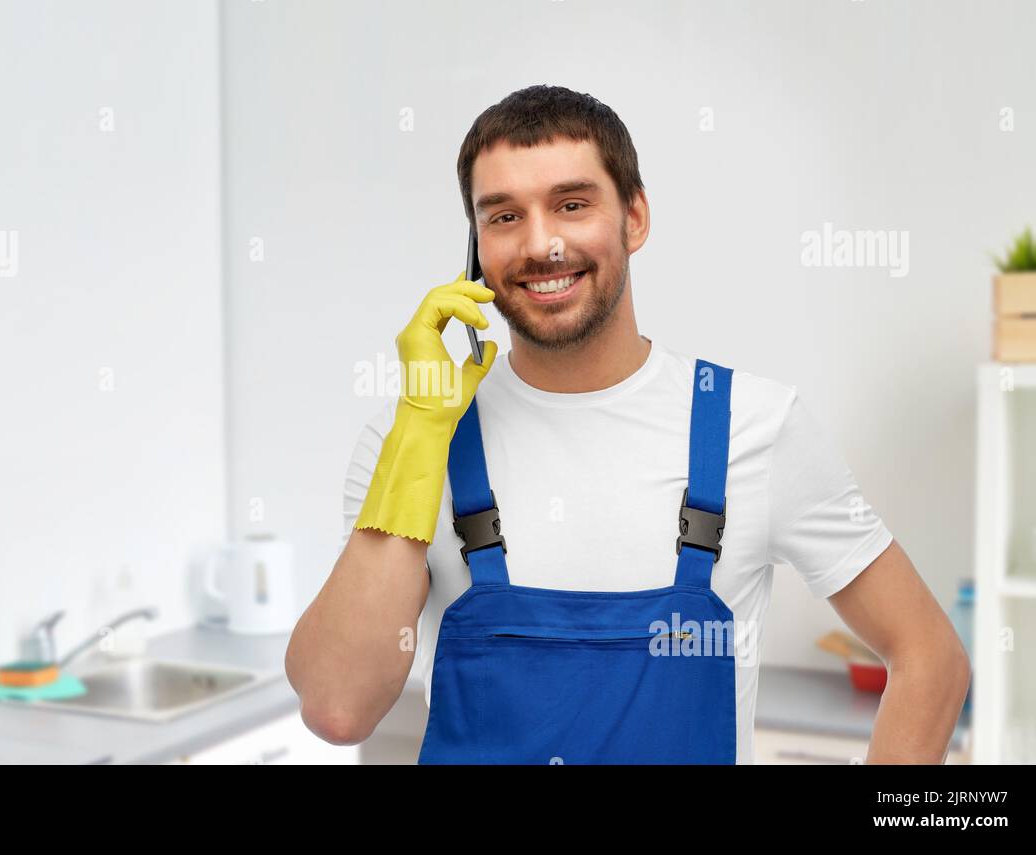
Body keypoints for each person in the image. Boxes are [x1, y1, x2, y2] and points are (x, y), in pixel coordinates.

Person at [285, 84, 969, 764]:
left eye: (572, 204)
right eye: (503, 217)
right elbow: (338, 705)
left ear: (634, 217)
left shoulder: (752, 427)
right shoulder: (411, 440)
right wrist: (419, 429)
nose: (541, 243)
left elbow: (930, 656)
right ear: (475, 250)